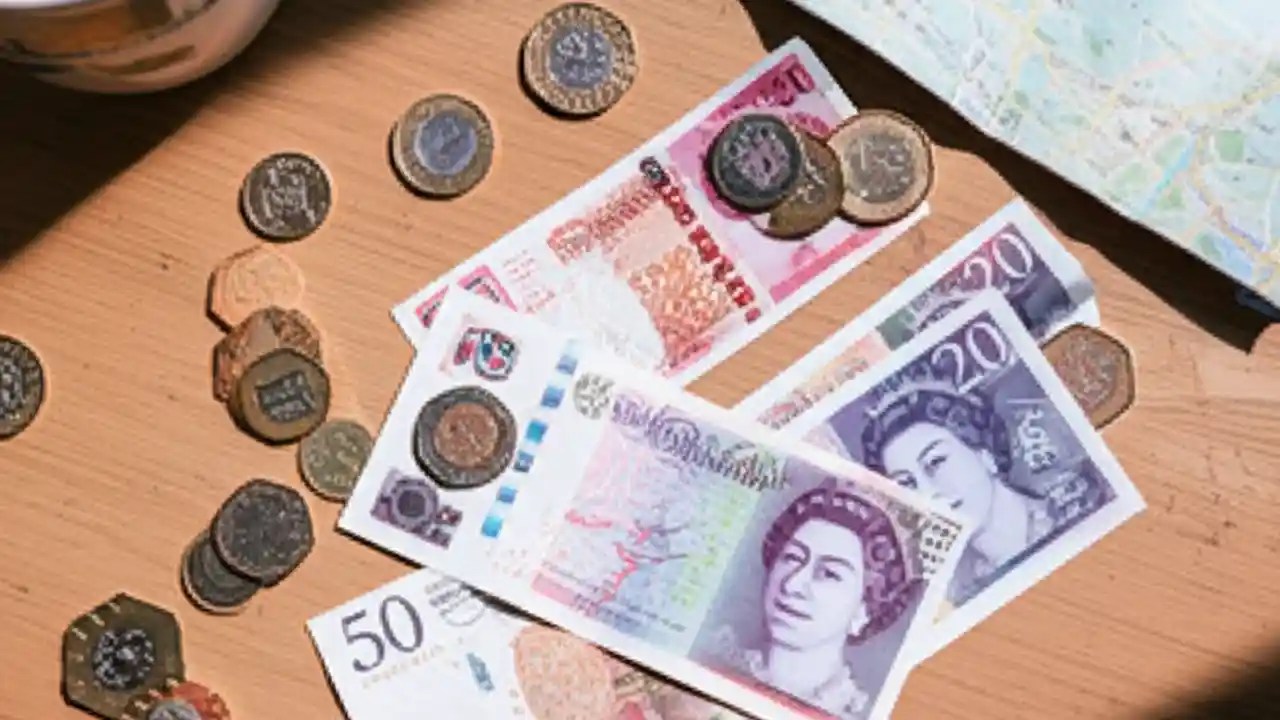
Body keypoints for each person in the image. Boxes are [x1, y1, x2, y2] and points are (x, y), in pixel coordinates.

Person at [860, 378, 1102, 605]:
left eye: (935, 463)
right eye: (907, 484)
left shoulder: (1083, 504)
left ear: (985, 453)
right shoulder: (958, 595)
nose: (928, 495)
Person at [708, 479, 919, 719]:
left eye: (829, 573)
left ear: (864, 611)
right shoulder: (709, 663)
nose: (792, 584)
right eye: (792, 558)